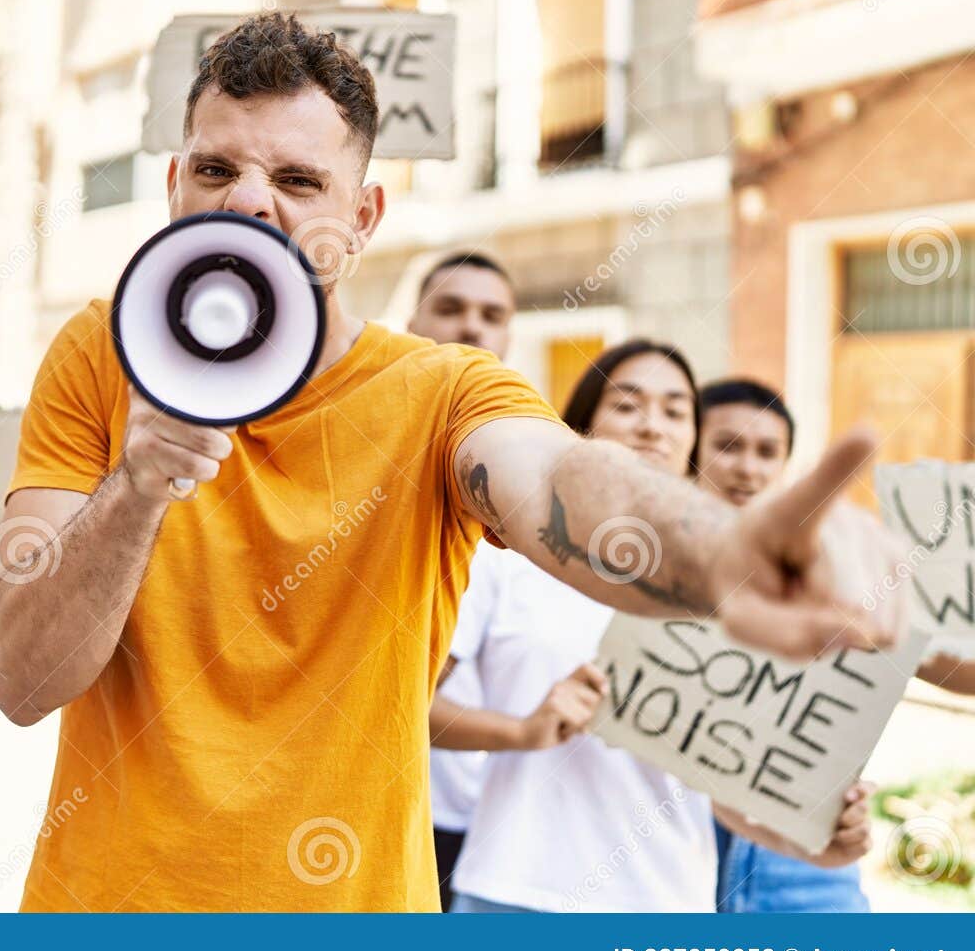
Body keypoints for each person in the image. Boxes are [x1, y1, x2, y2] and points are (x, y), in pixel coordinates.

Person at [0, 11, 905, 912]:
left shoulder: (443, 390)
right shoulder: (97, 353)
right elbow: (22, 682)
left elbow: (556, 481)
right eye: (217, 169)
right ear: (175, 185)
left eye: (299, 180)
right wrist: (138, 485)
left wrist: (721, 547)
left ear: (362, 217)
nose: (251, 203)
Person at [437, 342, 872, 912]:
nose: (652, 426)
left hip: (666, 903)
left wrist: (819, 834)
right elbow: (408, 707)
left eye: (675, 411)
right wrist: (520, 731)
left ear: (693, 439)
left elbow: (728, 787)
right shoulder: (507, 558)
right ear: (581, 424)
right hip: (510, 894)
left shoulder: (725, 587)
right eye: (626, 405)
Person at [696, 377, 975, 911]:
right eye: (728, 446)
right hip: (681, 849)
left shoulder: (838, 568)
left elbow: (942, 662)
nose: (748, 467)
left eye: (767, 451)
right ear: (693, 449)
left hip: (806, 861)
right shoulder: (641, 571)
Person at [406, 250, 516, 909]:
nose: (472, 325)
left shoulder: (524, 471)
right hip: (397, 810)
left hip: (493, 828)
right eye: (450, 308)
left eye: (492, 315)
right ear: (411, 322)